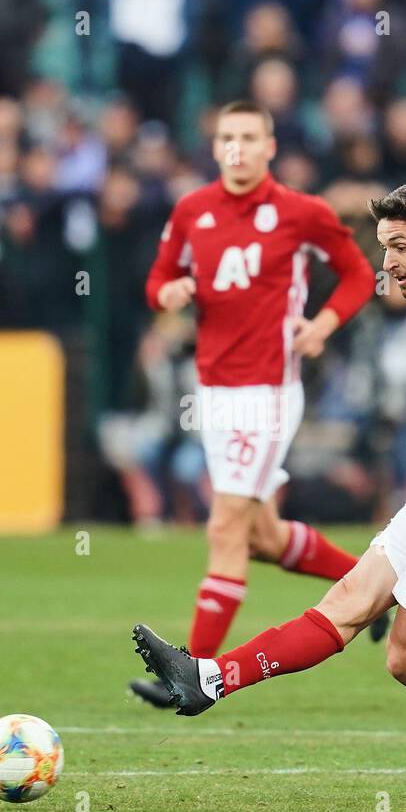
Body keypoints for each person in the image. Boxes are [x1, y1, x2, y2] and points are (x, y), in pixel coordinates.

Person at [129, 182, 406, 804]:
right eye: (383, 245)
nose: (386, 262)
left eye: (399, 246)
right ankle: (208, 679)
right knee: (349, 600)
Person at [128, 100, 378, 708]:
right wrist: (172, 292)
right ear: (215, 149)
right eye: (226, 137)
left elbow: (358, 275)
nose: (236, 147)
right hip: (213, 390)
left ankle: (190, 674)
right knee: (262, 536)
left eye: (248, 136)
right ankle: (375, 592)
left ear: (269, 147)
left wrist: (321, 326)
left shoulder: (301, 213)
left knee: (224, 525)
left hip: (268, 391)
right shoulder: (192, 211)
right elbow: (156, 283)